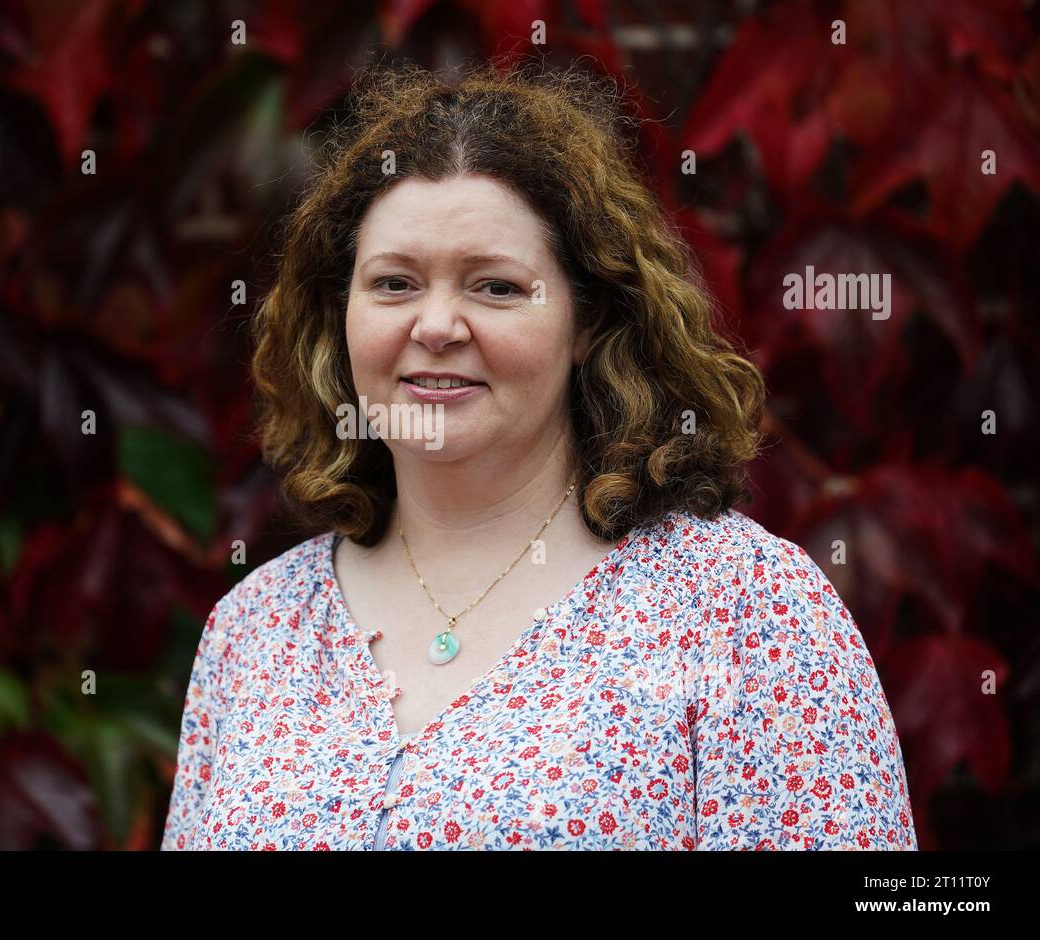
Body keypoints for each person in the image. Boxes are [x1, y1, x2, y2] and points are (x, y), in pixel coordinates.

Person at [160, 60, 917, 850]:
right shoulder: (252, 632)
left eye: (496, 287)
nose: (437, 325)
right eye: (394, 284)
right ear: (340, 314)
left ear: (587, 323)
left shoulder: (742, 611)